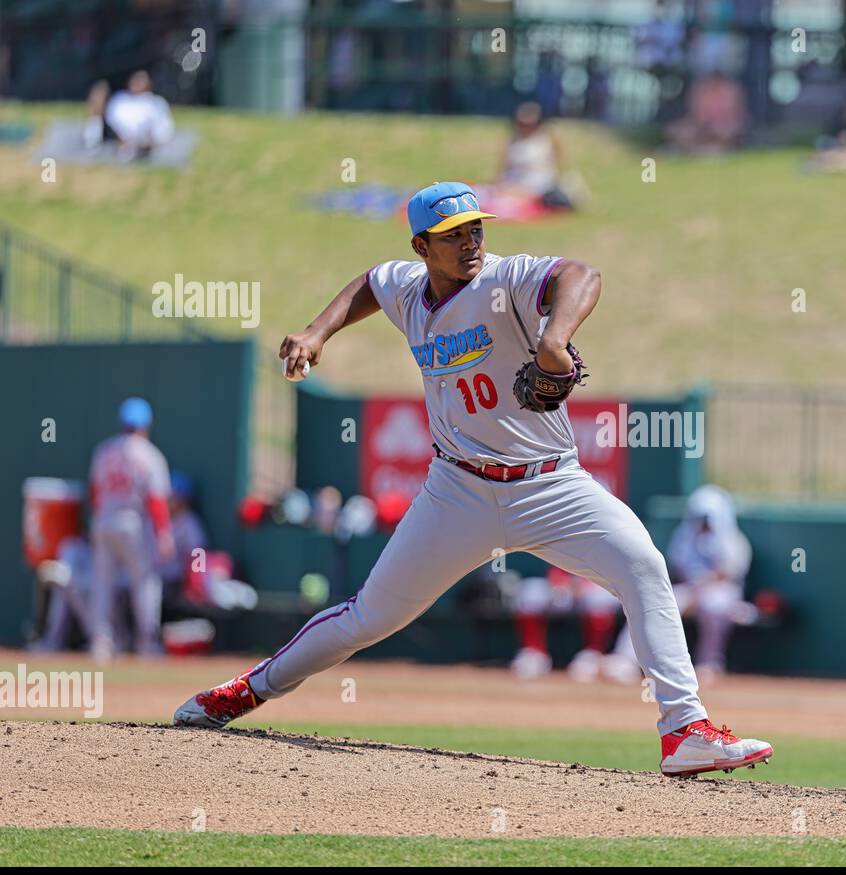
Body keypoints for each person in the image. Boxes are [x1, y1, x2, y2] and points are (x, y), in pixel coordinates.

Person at [174, 181, 773, 777]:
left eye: (475, 229)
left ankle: (684, 730)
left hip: (550, 485)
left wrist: (553, 338)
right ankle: (246, 691)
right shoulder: (408, 291)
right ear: (421, 246)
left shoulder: (503, 279)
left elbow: (582, 274)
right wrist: (316, 331)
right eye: (452, 236)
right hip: (456, 491)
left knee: (644, 568)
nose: (470, 244)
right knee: (369, 617)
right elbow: (370, 284)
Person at [605, 486, 757, 687]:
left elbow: (728, 574)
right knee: (654, 603)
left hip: (721, 591)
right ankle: (625, 659)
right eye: (700, 516)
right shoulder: (684, 536)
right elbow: (678, 569)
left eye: (708, 517)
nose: (703, 522)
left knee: (714, 606)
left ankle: (709, 663)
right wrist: (694, 587)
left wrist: (702, 586)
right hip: (690, 587)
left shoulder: (734, 540)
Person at [88, 397, 174, 661]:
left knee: (102, 584)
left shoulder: (104, 450)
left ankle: (101, 642)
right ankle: (146, 642)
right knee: (145, 582)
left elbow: (94, 493)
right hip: (133, 522)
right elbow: (156, 500)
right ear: (145, 424)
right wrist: (164, 533)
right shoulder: (149, 454)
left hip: (103, 519)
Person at [509, 567, 621, 681]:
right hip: (561, 588)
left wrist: (582, 585)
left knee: (599, 599)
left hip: (591, 586)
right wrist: (561, 582)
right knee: (530, 591)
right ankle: (534, 654)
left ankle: (592, 655)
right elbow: (555, 565)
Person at [495, 101, 573, 209]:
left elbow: (555, 167)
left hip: (537, 182)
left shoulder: (547, 139)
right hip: (514, 180)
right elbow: (504, 166)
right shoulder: (514, 139)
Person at [104, 71, 175, 159]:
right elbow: (109, 121)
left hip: (147, 146)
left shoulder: (156, 102)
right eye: (135, 81)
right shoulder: (119, 99)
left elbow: (164, 128)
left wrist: (148, 142)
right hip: (117, 143)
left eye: (140, 81)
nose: (136, 84)